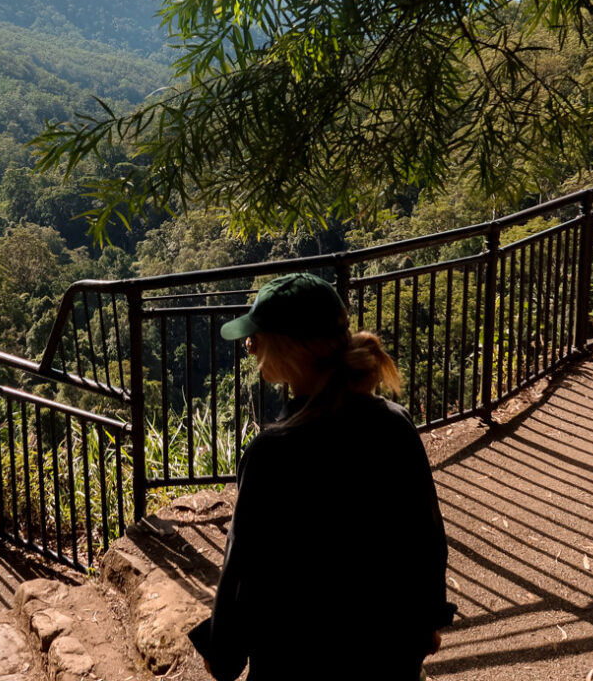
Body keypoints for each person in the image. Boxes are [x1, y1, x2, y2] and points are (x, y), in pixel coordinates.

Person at [187, 272, 457, 681]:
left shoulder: (273, 451)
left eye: (258, 336)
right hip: (388, 655)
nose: (249, 345)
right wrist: (427, 620)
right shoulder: (394, 423)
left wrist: (223, 652)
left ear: (291, 347)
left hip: (298, 658)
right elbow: (424, 535)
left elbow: (245, 569)